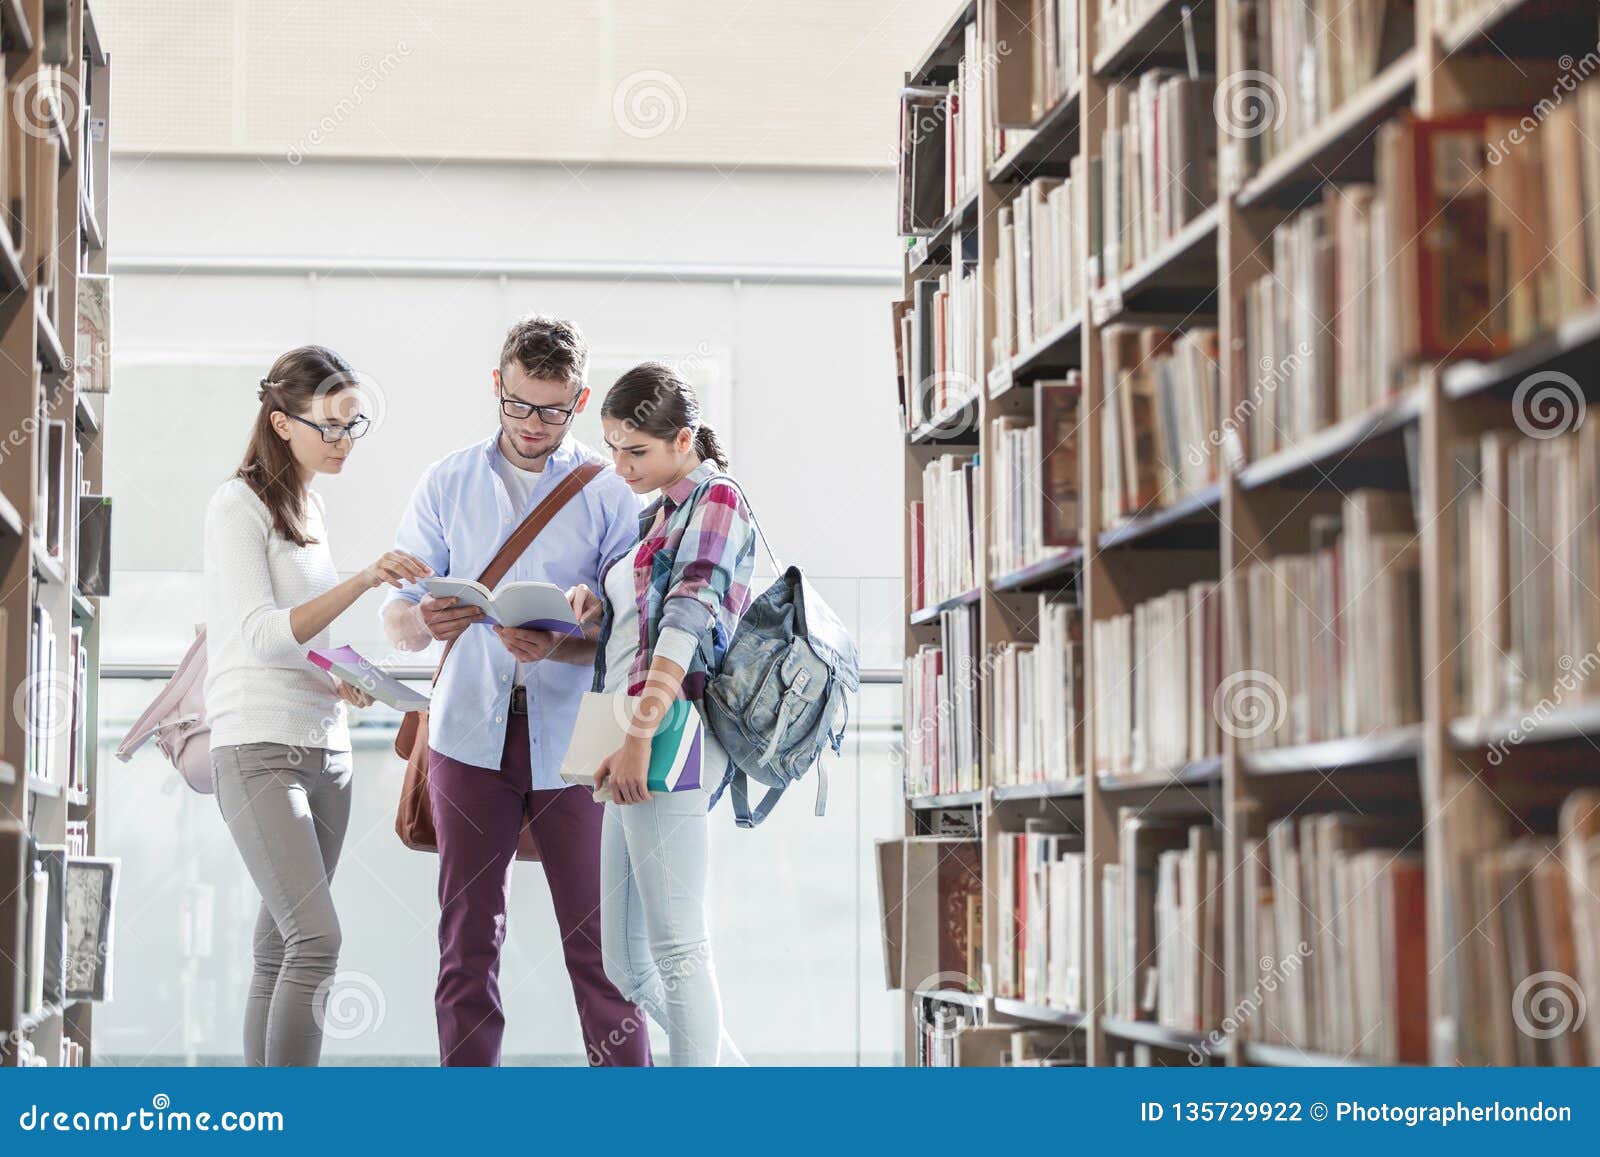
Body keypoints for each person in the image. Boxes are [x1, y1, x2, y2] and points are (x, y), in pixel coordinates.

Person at [379, 314, 651, 1067]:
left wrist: (577, 632)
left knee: (602, 943)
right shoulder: (447, 479)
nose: (533, 425)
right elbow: (395, 615)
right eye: (519, 404)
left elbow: (634, 632)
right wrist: (422, 618)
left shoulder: (608, 489)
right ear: (496, 386)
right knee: (468, 939)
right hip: (468, 730)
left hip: (580, 734)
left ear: (581, 398)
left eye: (553, 409)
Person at [204, 345, 432, 1067]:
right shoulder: (235, 505)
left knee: (280, 944)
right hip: (258, 747)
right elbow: (260, 635)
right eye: (329, 426)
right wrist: (366, 579)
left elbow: (301, 640)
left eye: (353, 425)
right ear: (279, 422)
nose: (343, 442)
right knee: (317, 940)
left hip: (325, 745)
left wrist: (342, 677)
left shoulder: (311, 504)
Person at [559, 361, 757, 1066]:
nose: (620, 464)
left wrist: (641, 735)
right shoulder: (660, 510)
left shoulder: (717, 498)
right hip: (625, 722)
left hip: (669, 729)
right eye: (612, 447)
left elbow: (687, 618)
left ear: (683, 439)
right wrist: (595, 607)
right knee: (626, 963)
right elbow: (642, 619)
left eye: (635, 450)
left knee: (676, 948)